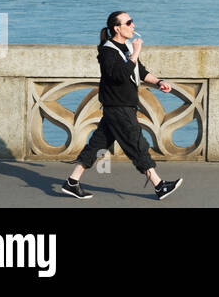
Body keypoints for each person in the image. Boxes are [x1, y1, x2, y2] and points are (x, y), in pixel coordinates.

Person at [59, 11, 184, 201]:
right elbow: (118, 75)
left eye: (132, 22)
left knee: (97, 145)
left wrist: (159, 82)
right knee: (137, 144)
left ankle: (72, 182)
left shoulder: (124, 47)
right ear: (117, 28)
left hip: (121, 107)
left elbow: (140, 71)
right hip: (118, 107)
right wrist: (135, 53)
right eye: (129, 22)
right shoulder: (107, 51)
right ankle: (159, 186)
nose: (133, 25)